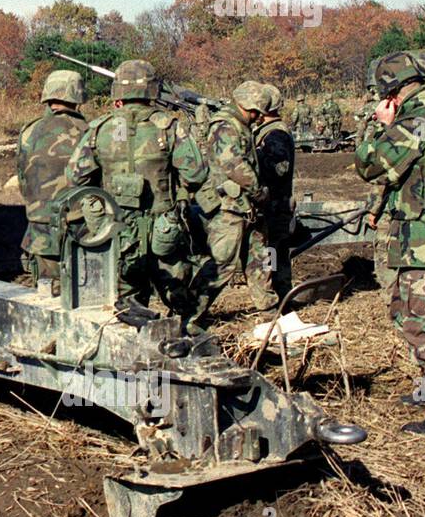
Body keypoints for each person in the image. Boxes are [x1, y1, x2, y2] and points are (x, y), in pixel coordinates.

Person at [356, 53, 425, 436]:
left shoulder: (414, 125)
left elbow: (370, 166)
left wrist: (378, 128)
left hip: (423, 245)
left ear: (392, 92)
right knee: (410, 314)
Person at [65, 59, 208, 318]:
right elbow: (197, 173)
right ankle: (185, 338)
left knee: (126, 298)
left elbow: (75, 177)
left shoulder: (99, 129)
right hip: (164, 227)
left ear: (118, 91)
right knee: (179, 295)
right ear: (152, 90)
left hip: (118, 228)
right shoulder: (169, 127)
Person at [190, 80, 267, 327]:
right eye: (255, 112)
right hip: (229, 208)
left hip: (246, 207)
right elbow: (234, 165)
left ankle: (269, 307)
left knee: (260, 259)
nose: (257, 117)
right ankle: (190, 316)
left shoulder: (240, 125)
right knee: (221, 265)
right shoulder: (225, 126)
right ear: (246, 105)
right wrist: (258, 190)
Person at [16, 69, 87, 292]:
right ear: (77, 96)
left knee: (47, 292)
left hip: (40, 226)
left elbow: (22, 179)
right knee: (82, 291)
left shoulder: (29, 130)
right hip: (79, 225)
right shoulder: (88, 130)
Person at [247, 83, 295, 309]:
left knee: (272, 253)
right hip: (275, 204)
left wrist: (253, 160)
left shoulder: (274, 133)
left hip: (275, 205)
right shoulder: (269, 130)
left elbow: (279, 168)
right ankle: (282, 295)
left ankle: (278, 296)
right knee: (275, 252)